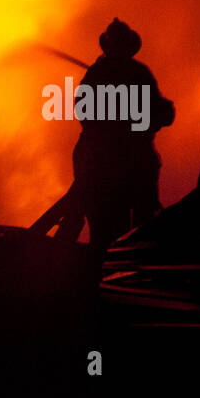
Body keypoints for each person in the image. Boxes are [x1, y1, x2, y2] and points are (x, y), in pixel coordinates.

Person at [68, 19, 174, 251]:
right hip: (103, 163)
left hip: (134, 161)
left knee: (141, 221)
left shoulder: (135, 74)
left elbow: (160, 113)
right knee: (108, 228)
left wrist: (159, 110)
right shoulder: (101, 75)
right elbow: (84, 113)